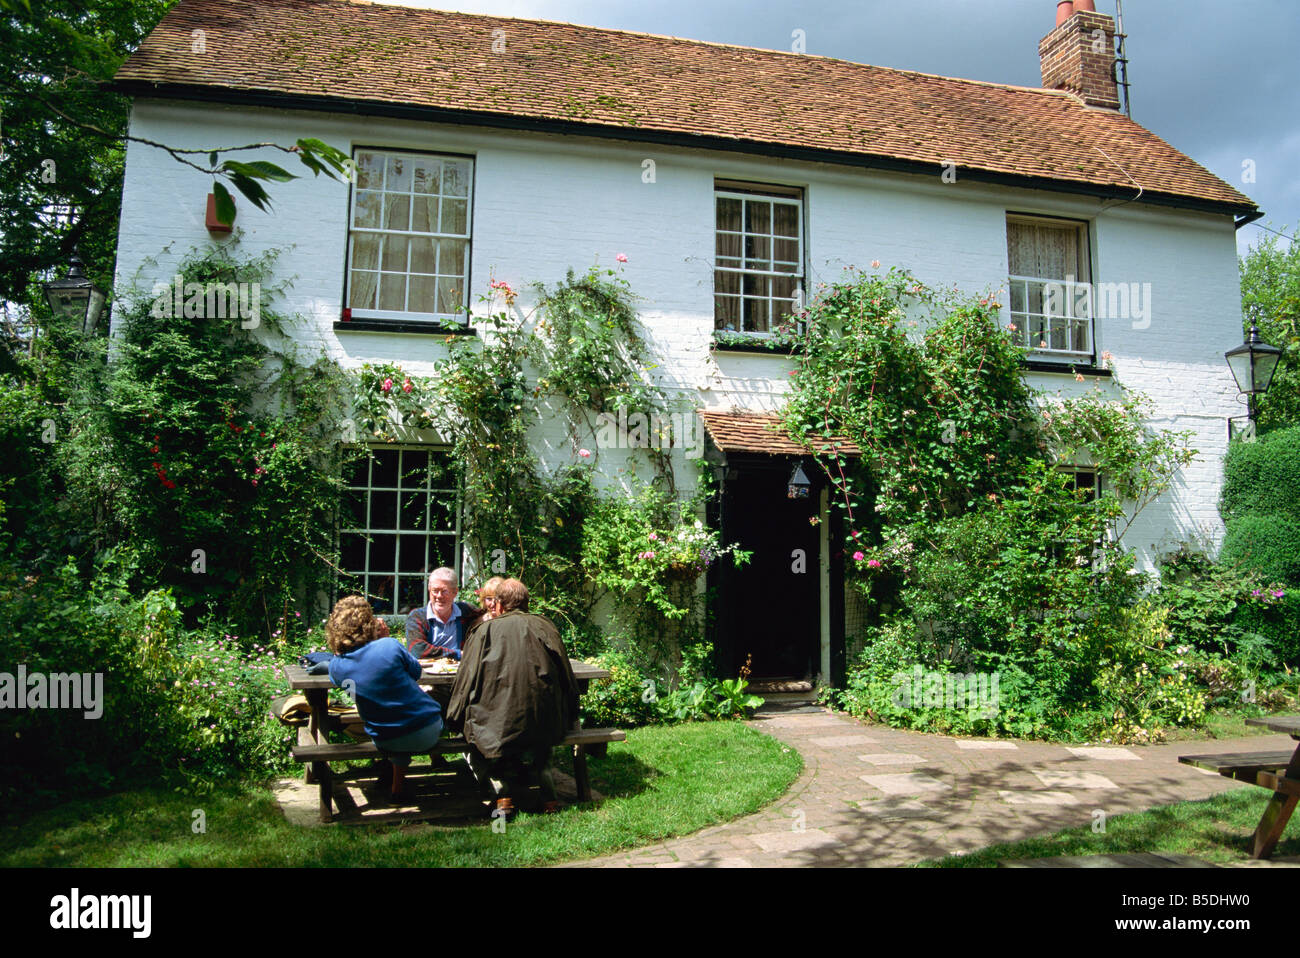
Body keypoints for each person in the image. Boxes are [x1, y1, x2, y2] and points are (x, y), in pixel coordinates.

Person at [446, 578, 580, 819]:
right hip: (545, 721)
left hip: (497, 724)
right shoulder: (546, 626)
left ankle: (503, 795)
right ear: (526, 603)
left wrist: (453, 717)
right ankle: (549, 798)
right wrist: (571, 713)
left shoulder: (484, 631)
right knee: (537, 738)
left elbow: (465, 680)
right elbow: (567, 676)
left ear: (498, 605)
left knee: (483, 733)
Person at [326, 595, 443, 804]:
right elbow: (416, 672)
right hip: (426, 732)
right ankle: (428, 766)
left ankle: (396, 786)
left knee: (391, 718)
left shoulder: (336, 668)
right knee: (423, 707)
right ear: (369, 623)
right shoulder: (389, 646)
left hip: (384, 737)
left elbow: (358, 689)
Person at [405, 567, 482, 660]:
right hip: (427, 672)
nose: (439, 596)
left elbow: (490, 616)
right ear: (429, 590)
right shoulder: (417, 617)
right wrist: (457, 654)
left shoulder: (465, 611)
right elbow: (417, 650)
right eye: (435, 591)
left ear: (455, 592)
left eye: (444, 591)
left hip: (461, 671)